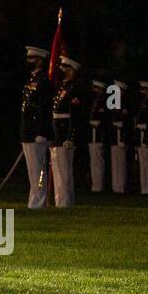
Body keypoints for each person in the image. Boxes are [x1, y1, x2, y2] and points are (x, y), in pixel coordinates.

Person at [19, 45, 53, 209]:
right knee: (32, 170)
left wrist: (42, 132)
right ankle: (34, 201)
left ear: (39, 60)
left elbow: (45, 109)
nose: (28, 62)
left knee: (38, 169)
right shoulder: (31, 80)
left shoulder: (44, 82)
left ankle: (39, 202)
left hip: (36, 133)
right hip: (28, 131)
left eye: (31, 59)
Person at [49, 56, 82, 207]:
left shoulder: (75, 88)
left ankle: (65, 201)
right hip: (57, 131)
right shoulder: (64, 87)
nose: (62, 72)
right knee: (58, 168)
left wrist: (71, 136)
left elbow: (75, 115)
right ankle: (60, 200)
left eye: (65, 69)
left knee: (64, 170)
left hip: (64, 132)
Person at [109, 80, 131, 194]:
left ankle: (121, 186)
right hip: (114, 136)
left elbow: (127, 121)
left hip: (121, 135)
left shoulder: (125, 103)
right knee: (115, 162)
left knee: (121, 162)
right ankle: (115, 186)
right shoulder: (114, 102)